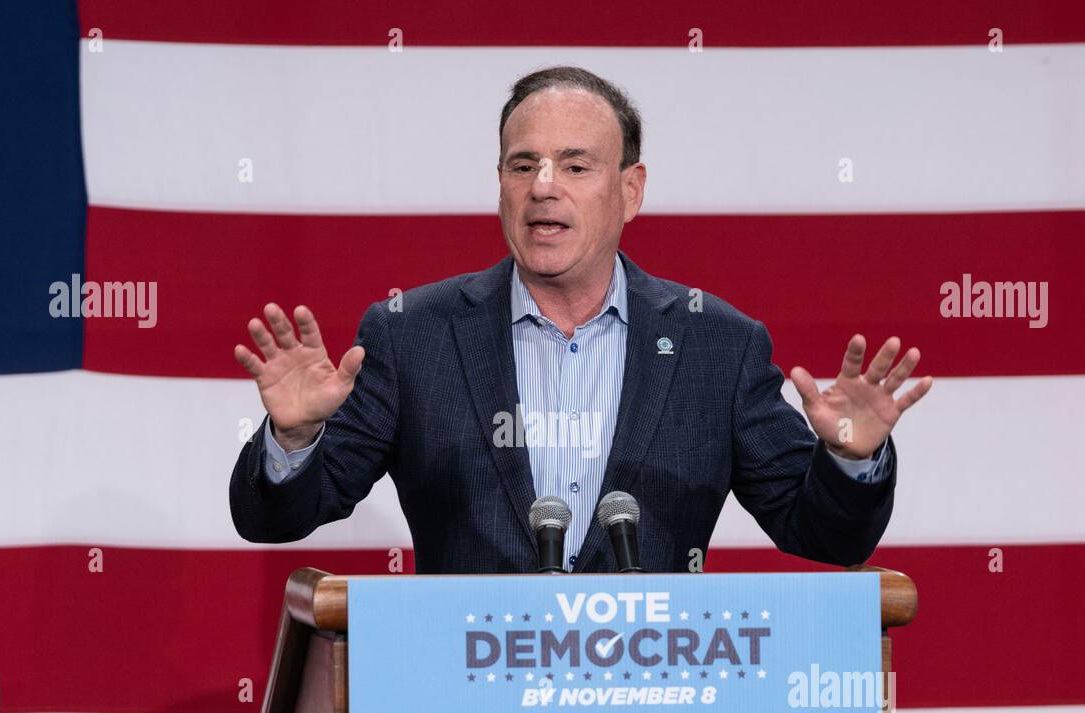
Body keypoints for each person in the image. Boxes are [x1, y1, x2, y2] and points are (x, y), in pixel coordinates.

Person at [229, 66, 932, 573]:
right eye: (522, 164)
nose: (542, 187)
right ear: (500, 184)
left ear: (630, 190)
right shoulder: (415, 336)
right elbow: (275, 520)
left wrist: (848, 459)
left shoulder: (718, 346)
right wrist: (294, 439)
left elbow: (824, 536)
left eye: (574, 166)